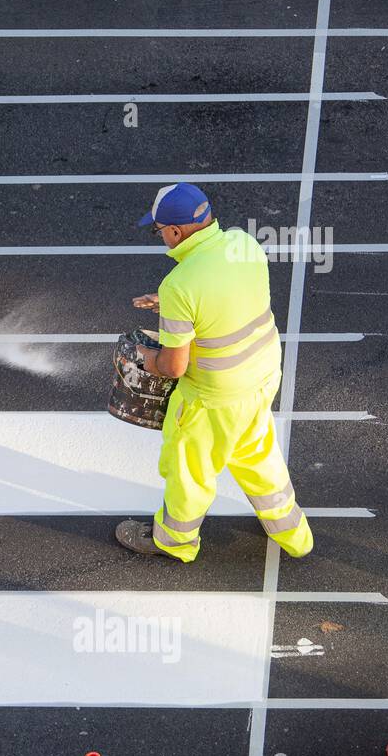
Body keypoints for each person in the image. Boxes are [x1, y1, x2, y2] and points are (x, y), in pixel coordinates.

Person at [115, 183, 313, 562]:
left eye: (159, 232)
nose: (161, 239)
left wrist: (140, 357)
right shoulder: (244, 243)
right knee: (256, 451)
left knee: (189, 471)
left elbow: (174, 365)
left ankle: (174, 541)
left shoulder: (179, 284)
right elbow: (228, 294)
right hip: (262, 375)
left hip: (214, 398)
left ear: (175, 231)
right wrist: (173, 308)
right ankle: (291, 531)